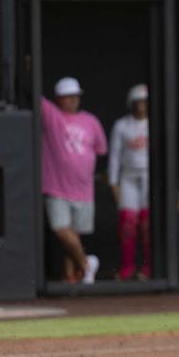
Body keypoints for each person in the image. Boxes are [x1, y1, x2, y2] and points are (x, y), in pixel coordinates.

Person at [41, 77, 107, 284]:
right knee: (61, 229)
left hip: (83, 189)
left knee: (73, 238)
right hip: (56, 186)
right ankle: (87, 265)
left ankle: (70, 277)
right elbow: (35, 96)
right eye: (67, 97)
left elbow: (101, 149)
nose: (72, 100)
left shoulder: (91, 121)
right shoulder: (52, 115)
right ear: (58, 99)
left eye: (75, 96)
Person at [108, 84, 150, 280]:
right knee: (127, 224)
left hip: (149, 176)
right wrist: (113, 182)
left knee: (146, 224)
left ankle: (148, 267)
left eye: (145, 101)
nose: (142, 106)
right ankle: (127, 267)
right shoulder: (122, 125)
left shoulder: (154, 123)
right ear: (131, 104)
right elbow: (115, 156)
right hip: (128, 177)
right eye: (138, 102)